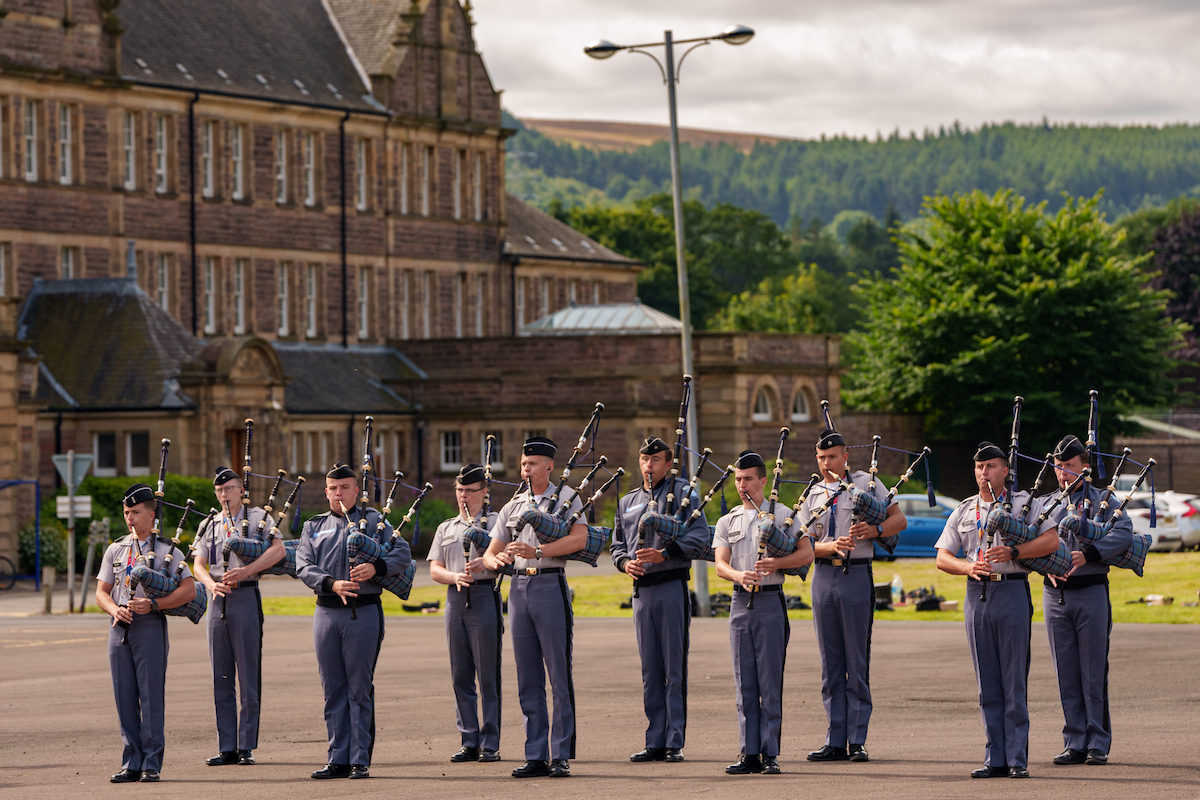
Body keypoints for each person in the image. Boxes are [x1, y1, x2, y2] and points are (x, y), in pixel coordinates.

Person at [935, 441, 1060, 779]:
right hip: (977, 595)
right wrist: (966, 568)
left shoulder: (1022, 504)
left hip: (1012, 592)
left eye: (991, 466)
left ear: (1005, 470)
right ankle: (996, 758)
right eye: (979, 467)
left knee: (1013, 680)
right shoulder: (964, 509)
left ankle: (1018, 758)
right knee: (986, 683)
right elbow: (942, 556)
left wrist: (1015, 554)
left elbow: (1051, 541)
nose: (984, 472)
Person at [296, 462, 411, 780]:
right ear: (326, 491)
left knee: (359, 688)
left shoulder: (376, 521)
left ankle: (360, 758)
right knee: (332, 689)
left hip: (364, 613)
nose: (338, 493)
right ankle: (338, 758)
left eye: (344, 487)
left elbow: (402, 553)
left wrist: (377, 568)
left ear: (356, 490)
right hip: (326, 612)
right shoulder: (314, 526)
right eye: (332, 488)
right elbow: (303, 564)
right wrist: (331, 583)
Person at [798, 429, 906, 764]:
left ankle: (857, 740)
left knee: (856, 661)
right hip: (823, 576)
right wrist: (826, 546)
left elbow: (898, 519)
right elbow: (800, 541)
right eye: (821, 458)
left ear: (846, 457)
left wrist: (873, 531)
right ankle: (834, 738)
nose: (827, 463)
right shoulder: (813, 493)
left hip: (856, 573)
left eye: (832, 457)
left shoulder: (867, 485)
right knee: (830, 664)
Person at [483, 436, 586, 779]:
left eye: (532, 464)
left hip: (549, 583)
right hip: (518, 588)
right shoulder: (514, 504)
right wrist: (496, 558)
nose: (526, 469)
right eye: (523, 464)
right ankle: (536, 753)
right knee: (527, 675)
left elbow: (579, 539)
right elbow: (490, 549)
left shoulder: (567, 498)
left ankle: (561, 754)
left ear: (549, 466)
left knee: (558, 673)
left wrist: (540, 552)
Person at [611, 436, 712, 763]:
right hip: (641, 592)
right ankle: (654, 739)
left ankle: (674, 741)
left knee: (673, 667)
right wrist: (625, 563)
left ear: (669, 464)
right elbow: (616, 546)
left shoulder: (684, 493)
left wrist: (664, 552)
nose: (648, 466)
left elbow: (699, 538)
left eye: (655, 460)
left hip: (670, 586)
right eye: (644, 460)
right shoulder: (627, 501)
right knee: (650, 669)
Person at [713, 450, 814, 775]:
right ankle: (749, 753)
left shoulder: (784, 513)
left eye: (748, 479)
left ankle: (770, 752)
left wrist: (777, 563)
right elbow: (720, 564)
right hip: (740, 603)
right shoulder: (729, 519)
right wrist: (739, 575)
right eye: (738, 480)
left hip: (770, 600)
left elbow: (806, 553)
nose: (742, 485)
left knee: (769, 680)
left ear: (762, 480)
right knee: (745, 682)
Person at [95, 483, 197, 783]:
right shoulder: (116, 548)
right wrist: (114, 609)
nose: (130, 518)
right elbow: (101, 592)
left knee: (151, 696)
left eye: (136, 512)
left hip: (150, 625)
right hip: (119, 626)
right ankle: (131, 761)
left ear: (152, 514)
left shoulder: (167, 549)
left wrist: (154, 604)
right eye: (126, 512)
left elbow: (189, 590)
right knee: (123, 696)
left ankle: (152, 762)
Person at [1041, 435, 1133, 767]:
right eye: (1058, 466)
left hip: (1091, 590)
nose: (1063, 473)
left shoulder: (1103, 501)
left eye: (1069, 466)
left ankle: (1097, 742)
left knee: (1092, 671)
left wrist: (1089, 554)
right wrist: (1044, 567)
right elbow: (1030, 538)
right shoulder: (1046, 503)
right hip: (1055, 596)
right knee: (1065, 672)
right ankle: (1074, 741)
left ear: (1085, 467)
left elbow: (1123, 533)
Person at [192, 466, 284, 767]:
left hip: (245, 594)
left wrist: (248, 570)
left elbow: (278, 550)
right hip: (218, 600)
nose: (224, 495)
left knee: (247, 674)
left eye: (229, 489)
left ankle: (246, 745)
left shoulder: (259, 517)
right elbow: (199, 563)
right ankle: (227, 746)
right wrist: (208, 583)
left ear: (241, 490)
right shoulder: (211, 523)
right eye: (219, 491)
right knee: (220, 675)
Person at [428, 462, 503, 764]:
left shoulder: (496, 523)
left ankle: (490, 742)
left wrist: (486, 561)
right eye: (459, 490)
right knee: (460, 674)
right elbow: (434, 568)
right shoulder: (446, 528)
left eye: (470, 491)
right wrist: (455, 576)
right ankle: (468, 739)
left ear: (484, 493)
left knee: (487, 675)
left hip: (484, 596)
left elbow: (505, 557)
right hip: (454, 599)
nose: (463, 496)